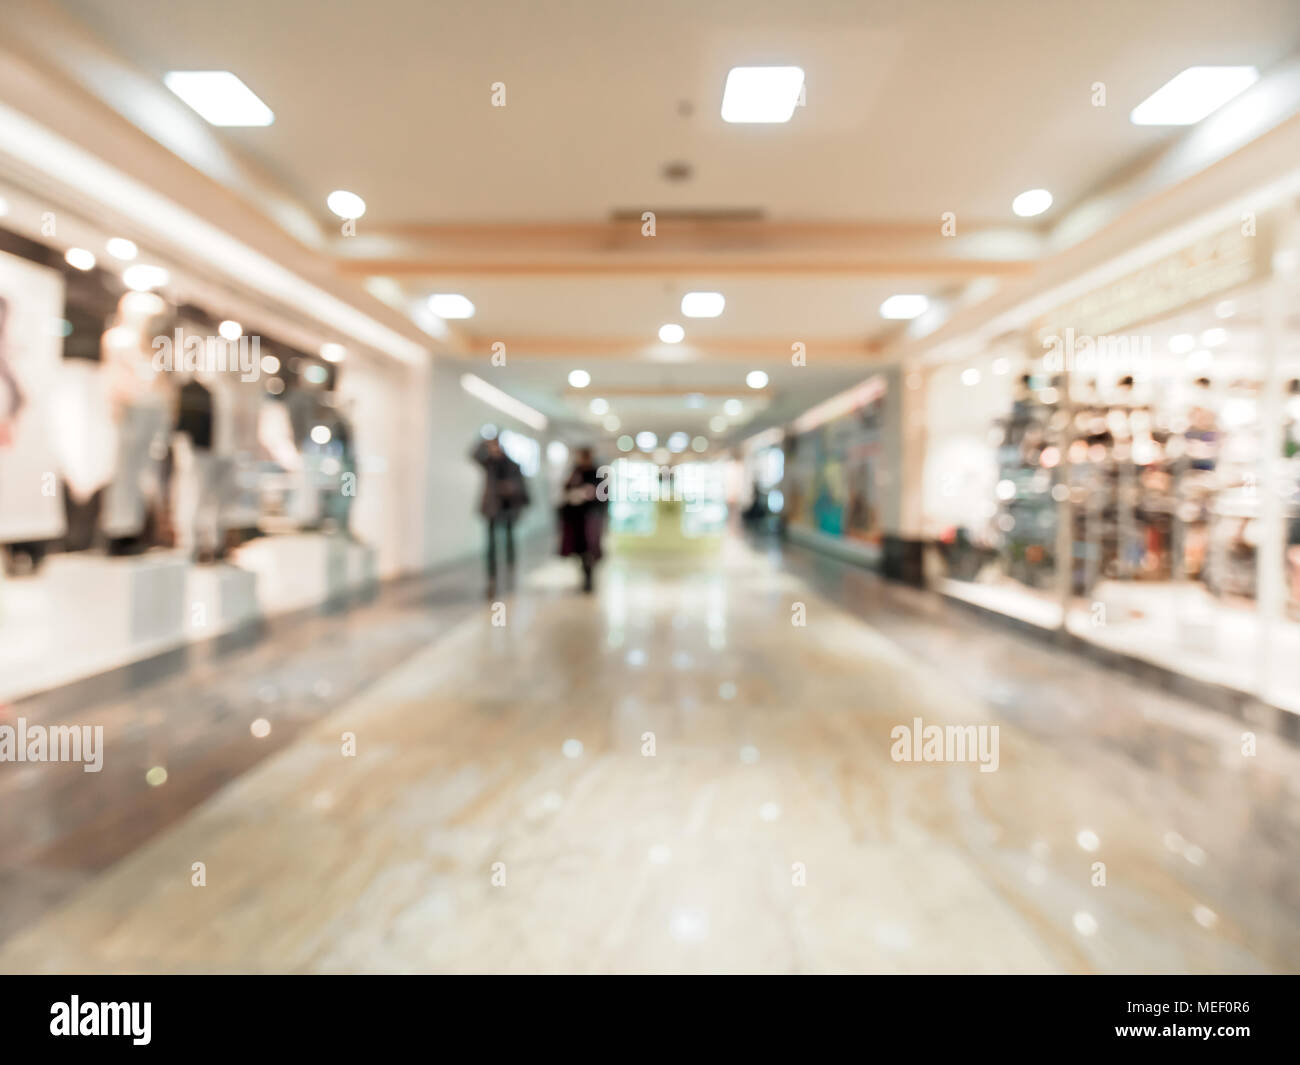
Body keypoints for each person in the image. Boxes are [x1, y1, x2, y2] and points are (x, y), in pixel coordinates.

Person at [471, 435, 529, 594]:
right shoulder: (489, 463)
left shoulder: (512, 465)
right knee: (491, 546)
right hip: (492, 509)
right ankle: (492, 578)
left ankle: (511, 568)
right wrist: (483, 441)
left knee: (509, 541)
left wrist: (511, 488)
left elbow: (522, 486)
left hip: (509, 508)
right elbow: (473, 455)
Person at [558, 447, 605, 593]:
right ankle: (584, 576)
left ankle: (588, 578)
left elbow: (604, 496)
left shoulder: (597, 474)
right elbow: (565, 489)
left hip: (590, 516)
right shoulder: (574, 472)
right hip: (575, 517)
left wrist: (591, 493)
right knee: (579, 549)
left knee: (589, 549)